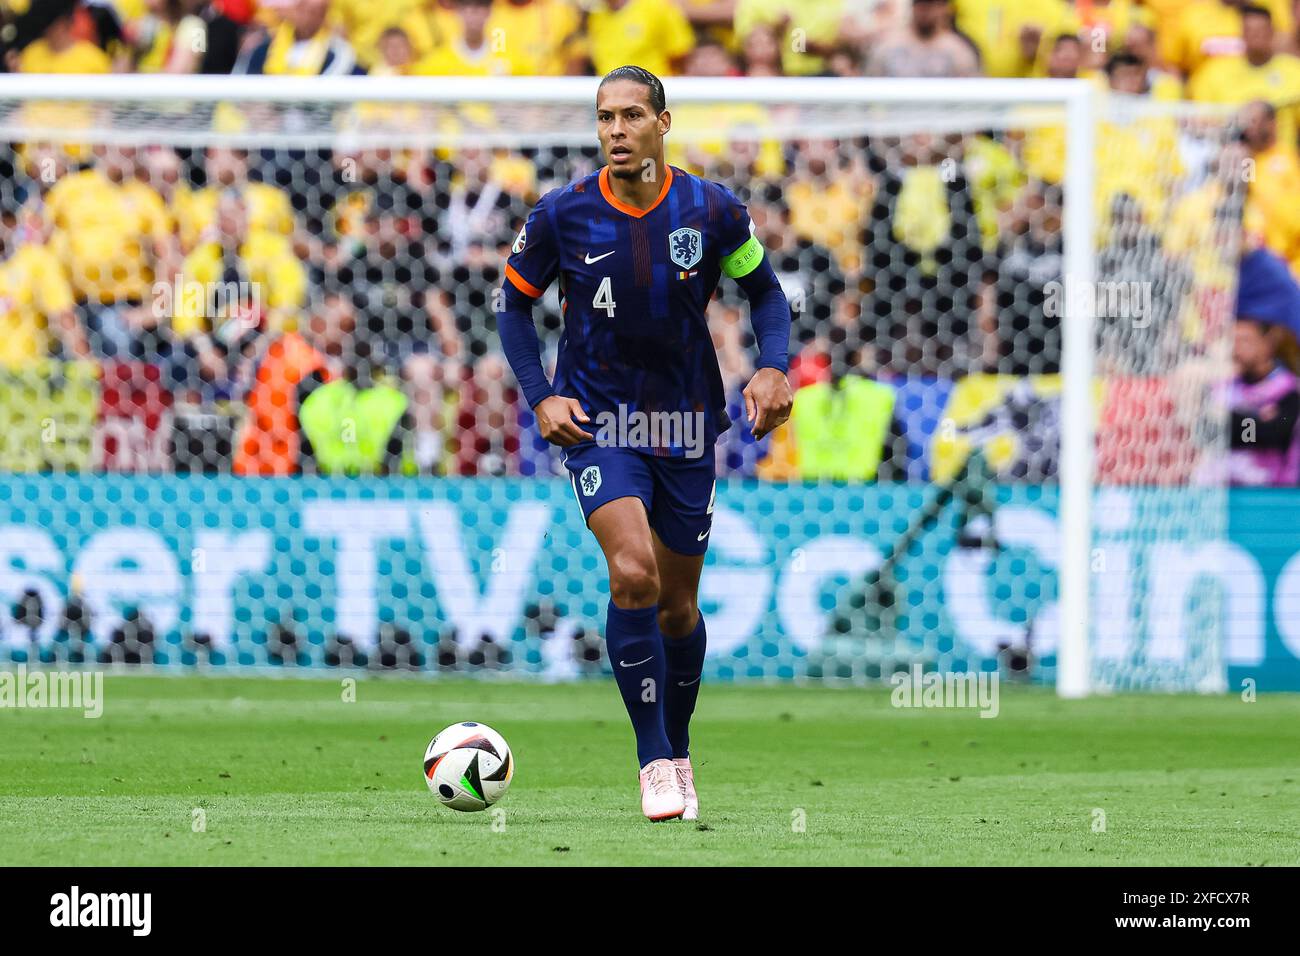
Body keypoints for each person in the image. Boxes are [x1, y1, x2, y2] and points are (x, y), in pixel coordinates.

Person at [497, 66, 792, 821]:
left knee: (678, 608)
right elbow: (513, 309)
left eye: (631, 115)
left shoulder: (711, 209)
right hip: (600, 423)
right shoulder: (563, 215)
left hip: (687, 424)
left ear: (664, 122)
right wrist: (543, 396)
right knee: (633, 576)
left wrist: (772, 368)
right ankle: (651, 762)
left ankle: (680, 746)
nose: (616, 130)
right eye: (605, 118)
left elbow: (764, 292)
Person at [1229, 317, 1300, 485]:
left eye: (1245, 340)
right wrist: (1256, 419)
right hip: (1227, 487)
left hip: (1273, 492)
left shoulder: (1288, 388)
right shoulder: (1225, 386)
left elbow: (1273, 434)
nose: (1236, 347)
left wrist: (1233, 419)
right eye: (1233, 340)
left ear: (1266, 343)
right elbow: (1203, 433)